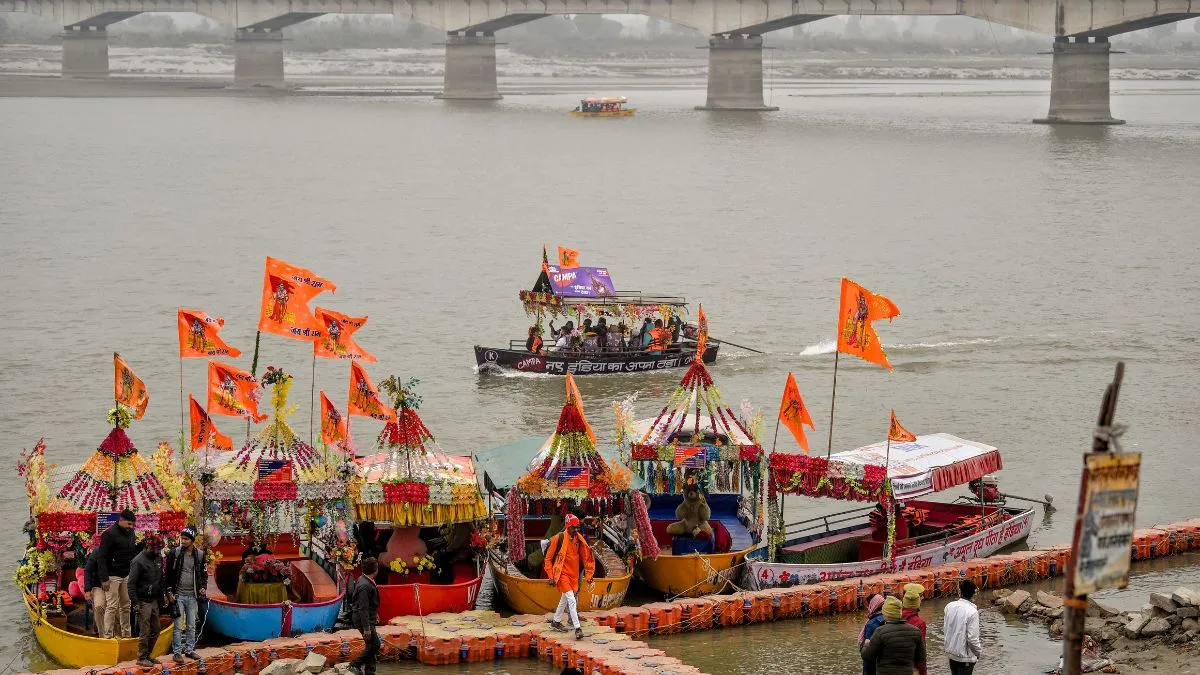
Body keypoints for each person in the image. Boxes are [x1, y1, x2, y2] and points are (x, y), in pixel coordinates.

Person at [544, 514, 595, 640]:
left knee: (565, 599)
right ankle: (578, 628)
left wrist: (589, 575)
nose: (576, 530)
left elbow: (586, 557)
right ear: (568, 527)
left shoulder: (579, 539)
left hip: (574, 575)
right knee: (571, 600)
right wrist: (551, 576)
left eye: (577, 527)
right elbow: (548, 559)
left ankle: (556, 622)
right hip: (562, 575)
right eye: (574, 527)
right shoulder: (558, 538)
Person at [165, 526, 207, 662]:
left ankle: (189, 649)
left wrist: (203, 587)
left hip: (193, 596)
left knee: (192, 625)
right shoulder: (174, 553)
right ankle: (177, 652)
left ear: (192, 540)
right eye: (182, 538)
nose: (183, 541)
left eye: (186, 539)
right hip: (178, 595)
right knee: (177, 625)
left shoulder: (200, 555)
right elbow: (168, 575)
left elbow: (203, 574)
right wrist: (169, 592)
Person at [95, 509, 138, 638]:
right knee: (112, 606)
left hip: (126, 574)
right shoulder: (108, 534)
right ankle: (107, 635)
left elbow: (133, 552)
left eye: (132, 525)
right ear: (121, 520)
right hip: (112, 576)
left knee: (126, 605)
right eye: (129, 524)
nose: (131, 527)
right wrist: (104, 579)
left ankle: (126, 634)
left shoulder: (131, 533)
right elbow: (101, 557)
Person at [860, 596, 926, 675]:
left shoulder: (880, 632)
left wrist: (866, 644)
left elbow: (867, 656)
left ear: (886, 614)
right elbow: (921, 657)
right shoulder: (916, 632)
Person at [127, 533, 165, 667]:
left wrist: (163, 594)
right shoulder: (138, 561)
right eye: (155, 550)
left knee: (156, 628)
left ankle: (148, 654)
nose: (157, 552)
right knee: (145, 630)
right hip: (142, 600)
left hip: (153, 599)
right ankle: (141, 657)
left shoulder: (158, 558)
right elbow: (131, 584)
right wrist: (136, 603)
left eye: (159, 550)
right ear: (148, 546)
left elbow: (161, 578)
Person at [349, 557, 381, 675]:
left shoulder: (364, 579)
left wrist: (375, 613)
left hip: (368, 616)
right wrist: (366, 628)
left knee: (370, 645)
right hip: (362, 618)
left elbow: (368, 603)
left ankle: (370, 671)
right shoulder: (365, 585)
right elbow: (362, 607)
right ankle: (355, 664)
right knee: (375, 644)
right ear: (375, 570)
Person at [943, 580, 983, 674]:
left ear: (960, 592)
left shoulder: (949, 606)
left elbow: (946, 629)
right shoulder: (972, 612)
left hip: (951, 654)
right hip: (965, 658)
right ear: (973, 594)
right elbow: (972, 638)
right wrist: (978, 652)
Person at [901, 583, 929, 675]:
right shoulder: (919, 623)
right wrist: (923, 671)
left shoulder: (894, 617)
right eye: (920, 596)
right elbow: (921, 653)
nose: (923, 598)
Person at [859, 594, 887, 675]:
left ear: (871, 605)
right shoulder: (888, 619)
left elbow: (868, 651)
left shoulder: (871, 623)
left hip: (873, 666)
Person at [83, 544, 106, 636]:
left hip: (115, 585)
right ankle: (104, 636)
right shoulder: (97, 552)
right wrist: (87, 589)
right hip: (98, 585)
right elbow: (88, 570)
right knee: (99, 606)